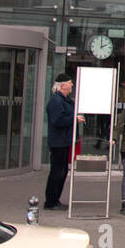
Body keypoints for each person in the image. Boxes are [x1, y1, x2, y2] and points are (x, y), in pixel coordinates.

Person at [44, 73, 85, 210]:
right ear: (62, 85)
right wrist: (74, 119)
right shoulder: (56, 101)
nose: (72, 84)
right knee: (57, 171)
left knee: (62, 171)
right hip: (58, 142)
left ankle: (55, 199)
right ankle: (50, 201)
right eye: (69, 82)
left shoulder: (66, 100)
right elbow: (57, 121)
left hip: (65, 140)